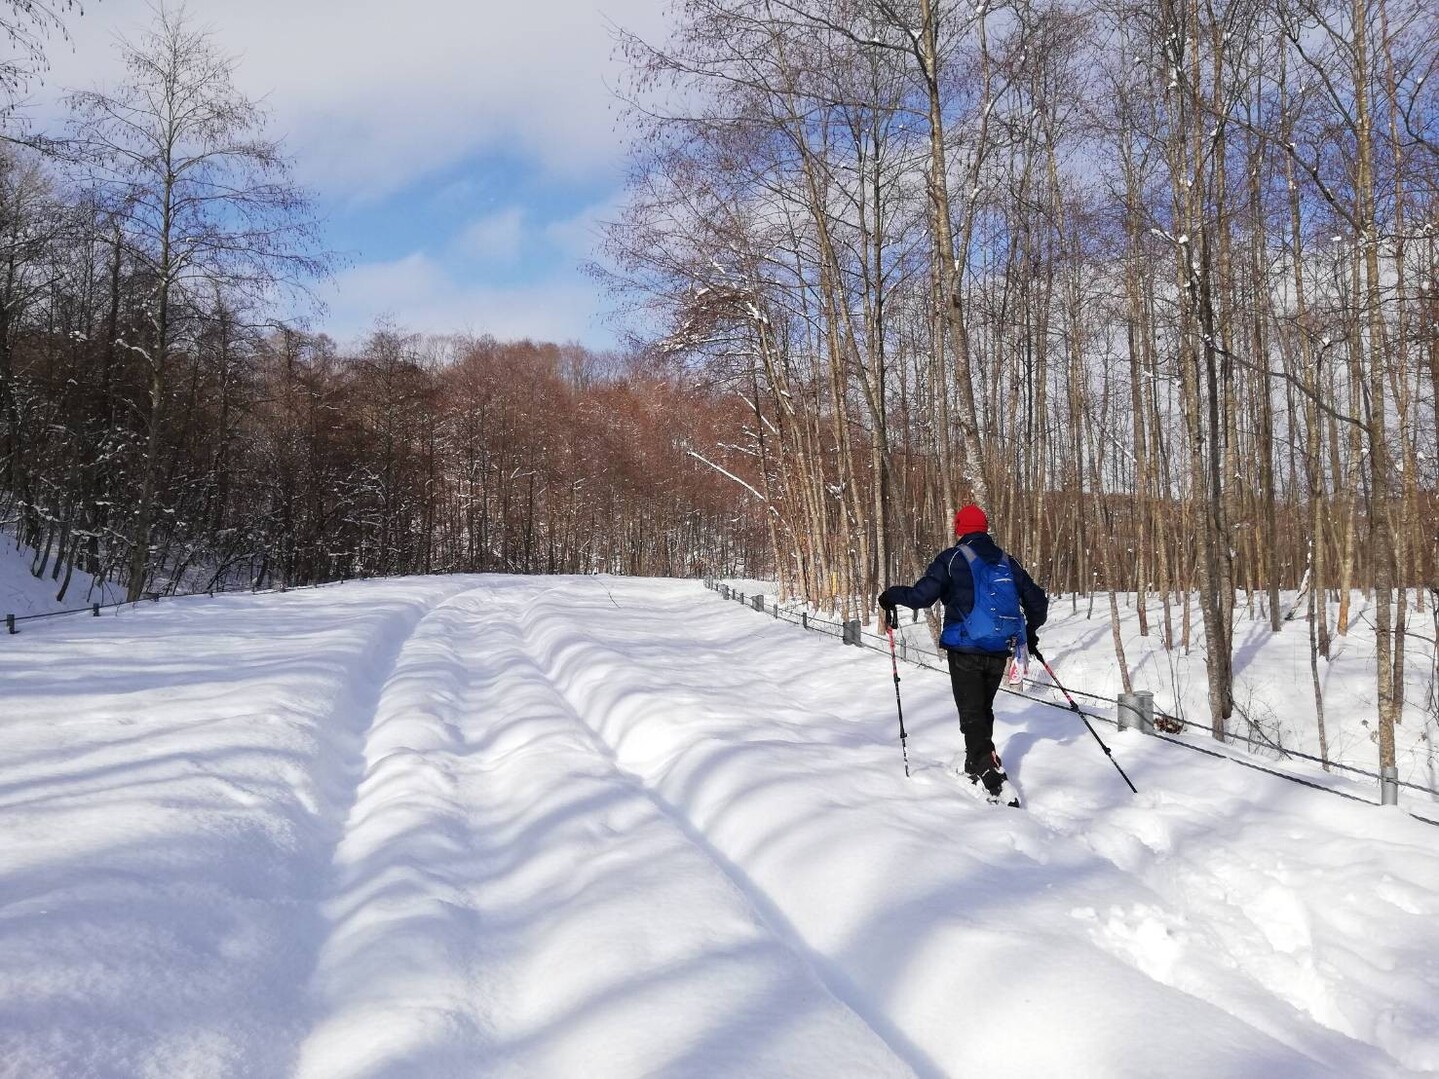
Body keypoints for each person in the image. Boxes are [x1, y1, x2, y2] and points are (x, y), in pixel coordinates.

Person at [878, 504, 1048, 800]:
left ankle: (991, 778)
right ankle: (974, 762)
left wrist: (891, 595)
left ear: (960, 529)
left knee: (971, 711)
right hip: (998, 648)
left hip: (965, 646)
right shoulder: (1008, 561)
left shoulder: (952, 558)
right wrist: (1029, 632)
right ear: (985, 529)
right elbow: (1038, 603)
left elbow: (921, 597)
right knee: (981, 709)